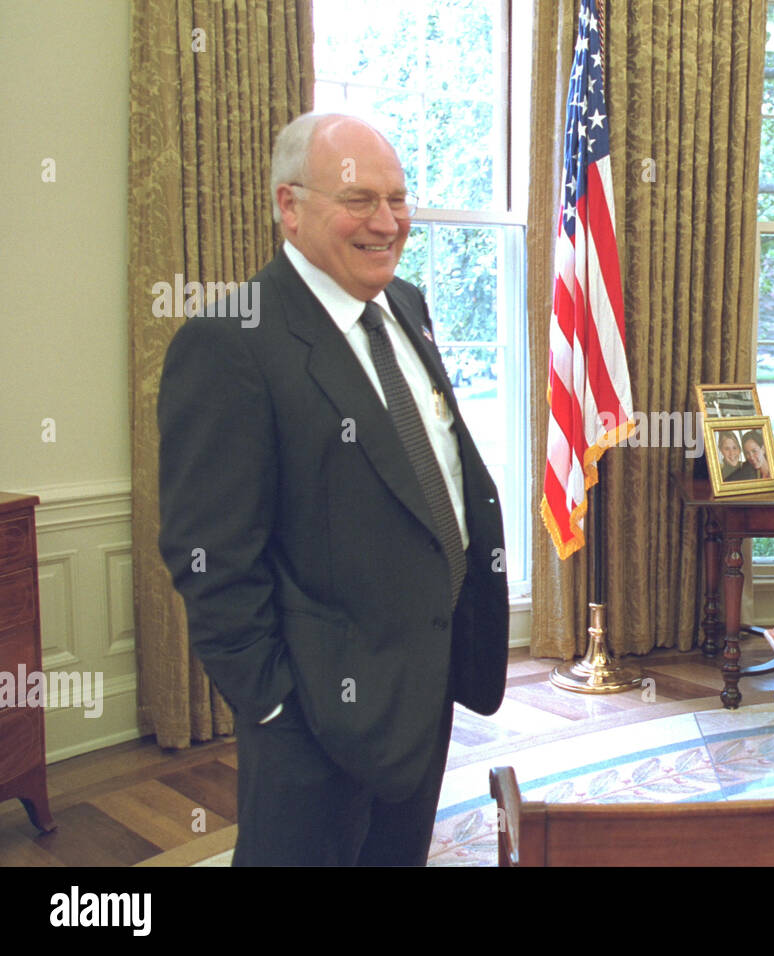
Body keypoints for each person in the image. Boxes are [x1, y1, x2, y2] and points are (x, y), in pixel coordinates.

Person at [156, 113, 509, 866]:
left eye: (399, 199)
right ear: (290, 205)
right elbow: (209, 559)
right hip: (315, 717)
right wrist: (277, 709)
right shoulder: (231, 341)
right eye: (359, 201)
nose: (386, 223)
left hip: (424, 684)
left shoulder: (406, 306)